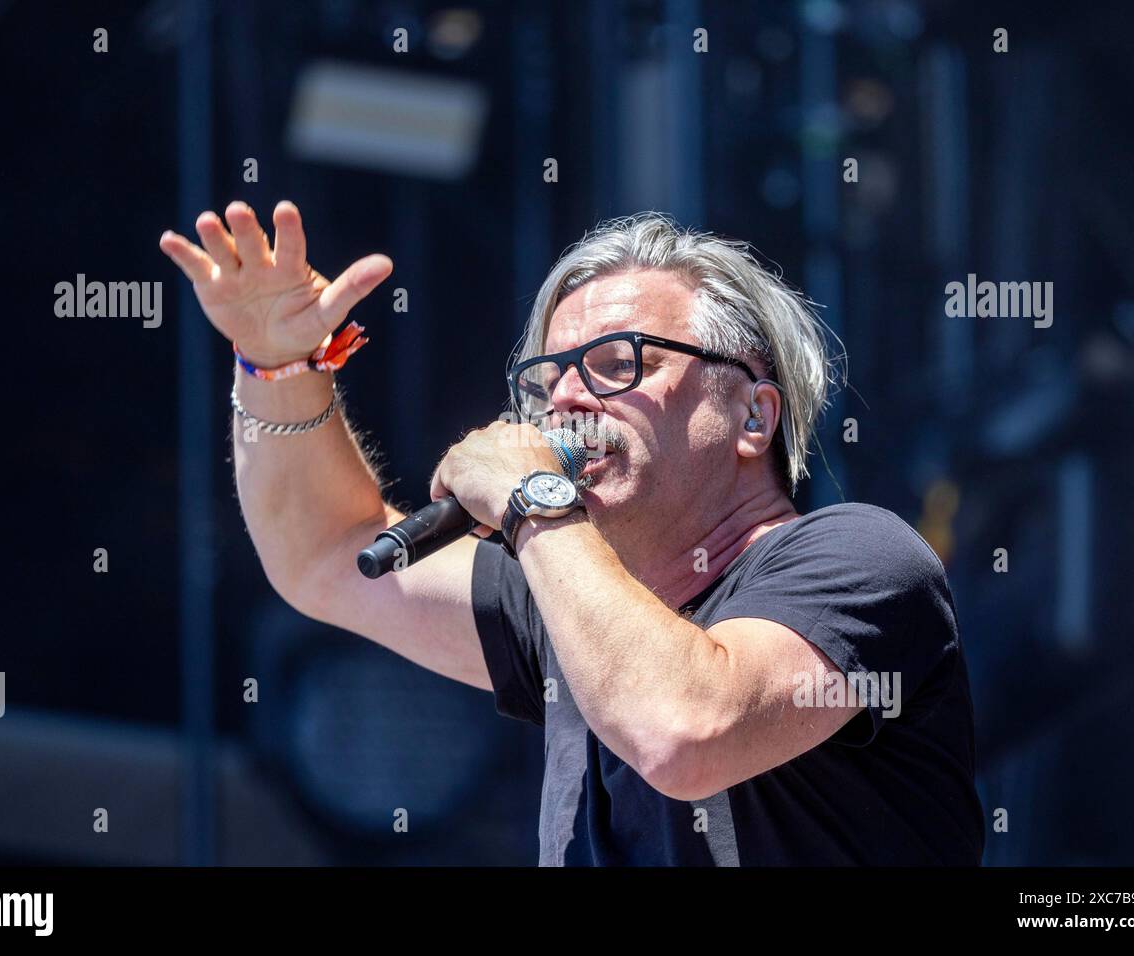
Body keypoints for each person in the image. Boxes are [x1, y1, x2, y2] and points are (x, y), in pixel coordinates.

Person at [159, 201, 985, 865]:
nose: (568, 401)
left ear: (749, 413)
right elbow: (327, 554)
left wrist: (532, 500)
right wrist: (280, 370)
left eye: (620, 362)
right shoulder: (564, 599)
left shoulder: (862, 559)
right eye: (546, 380)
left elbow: (685, 730)